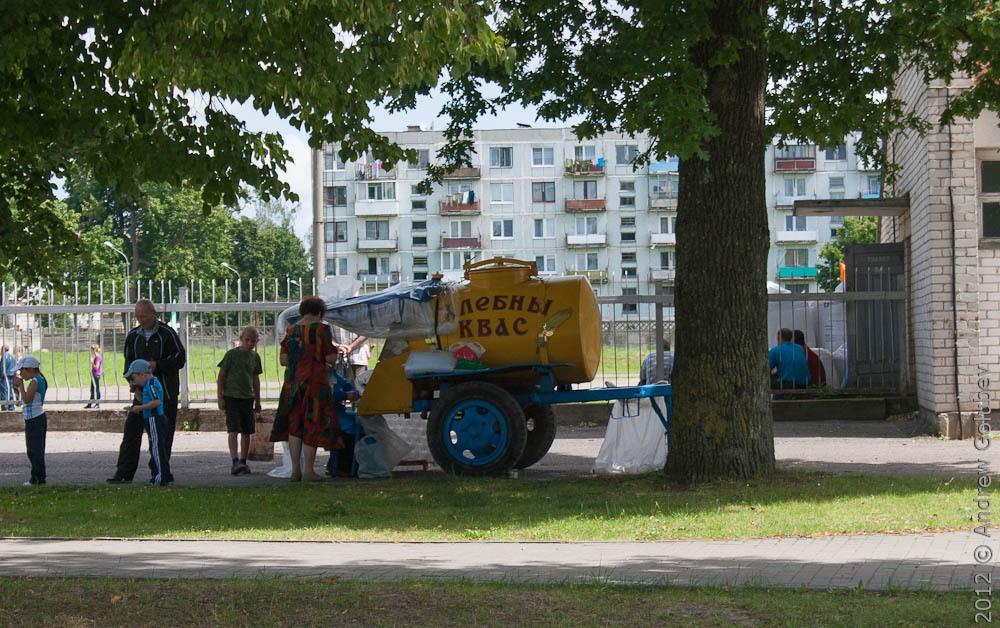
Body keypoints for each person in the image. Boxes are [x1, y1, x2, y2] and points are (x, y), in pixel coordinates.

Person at [270, 296, 350, 482]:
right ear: (320, 312)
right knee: (312, 423)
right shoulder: (321, 330)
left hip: (292, 383)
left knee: (294, 426)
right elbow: (330, 358)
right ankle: (308, 471)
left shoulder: (291, 330)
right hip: (315, 383)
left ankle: (295, 471)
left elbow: (283, 360)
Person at [107, 300, 186, 484]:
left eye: (144, 316)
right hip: (141, 396)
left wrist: (157, 365)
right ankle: (124, 472)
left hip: (164, 395)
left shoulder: (167, 334)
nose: (141, 320)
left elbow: (180, 358)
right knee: (131, 432)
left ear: (153, 314)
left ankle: (159, 473)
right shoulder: (133, 336)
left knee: (161, 437)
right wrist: (133, 383)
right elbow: (129, 363)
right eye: (138, 317)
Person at [217, 326, 263, 475]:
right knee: (233, 429)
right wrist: (220, 397)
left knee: (247, 431)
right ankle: (234, 460)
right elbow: (221, 377)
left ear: (257, 342)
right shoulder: (231, 355)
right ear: (241, 339)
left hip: (248, 398)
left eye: (253, 341)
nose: (250, 343)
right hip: (231, 397)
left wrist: (258, 400)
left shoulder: (255, 358)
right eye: (247, 340)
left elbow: (255, 379)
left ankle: (243, 461)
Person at [124, 359, 171, 486]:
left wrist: (139, 408)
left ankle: (160, 477)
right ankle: (164, 475)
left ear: (142, 374)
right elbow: (145, 399)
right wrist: (136, 393)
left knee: (156, 448)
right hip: (151, 418)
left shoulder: (151, 384)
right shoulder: (147, 385)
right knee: (155, 447)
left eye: (134, 378)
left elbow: (156, 402)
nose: (134, 381)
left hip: (154, 418)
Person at [13, 355, 47, 486]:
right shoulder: (39, 380)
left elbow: (27, 399)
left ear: (31, 369)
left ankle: (37, 478)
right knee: (34, 450)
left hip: (35, 420)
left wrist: (20, 386)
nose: (21, 374)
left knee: (35, 451)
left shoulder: (35, 381)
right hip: (34, 419)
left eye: (22, 371)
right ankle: (38, 477)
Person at [85, 344, 102, 408]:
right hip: (94, 375)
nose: (91, 350)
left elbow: (96, 367)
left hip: (96, 375)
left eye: (92, 349)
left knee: (97, 389)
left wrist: (92, 362)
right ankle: (90, 403)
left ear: (95, 350)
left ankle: (98, 404)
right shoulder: (96, 357)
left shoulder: (98, 357)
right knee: (92, 389)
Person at [0, 345, 14, 411]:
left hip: (5, 376)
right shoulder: (12, 357)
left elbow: (2, 367)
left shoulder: (4, 357)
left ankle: (4, 407)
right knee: (10, 391)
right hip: (11, 375)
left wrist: (0, 376)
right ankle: (11, 406)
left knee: (4, 392)